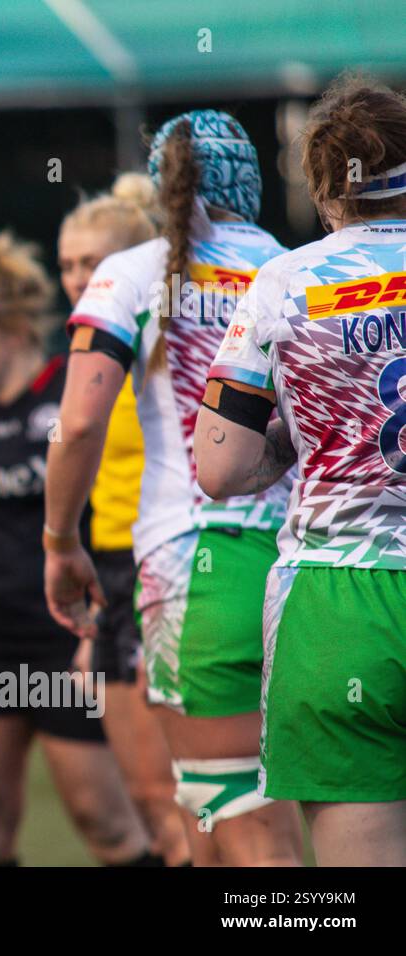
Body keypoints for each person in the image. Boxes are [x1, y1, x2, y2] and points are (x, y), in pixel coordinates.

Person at [43, 110, 304, 865]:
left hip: (197, 568)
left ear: (162, 186)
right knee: (287, 821)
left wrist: (60, 541)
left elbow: (80, 422)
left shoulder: (130, 272)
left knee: (232, 827)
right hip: (308, 564)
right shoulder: (297, 266)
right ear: (250, 178)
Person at [194, 75, 406, 866]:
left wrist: (301, 439)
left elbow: (220, 466)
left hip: (335, 602)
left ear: (326, 192)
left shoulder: (285, 281)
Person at [0, 232, 150, 866]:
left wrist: (105, 621)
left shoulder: (73, 388)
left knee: (105, 823)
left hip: (65, 633)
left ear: (12, 329)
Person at [57, 175, 190, 866]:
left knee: (183, 807)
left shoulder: (164, 344)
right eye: (68, 265)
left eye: (94, 263)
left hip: (157, 566)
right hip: (109, 572)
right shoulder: (87, 350)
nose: (79, 277)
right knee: (146, 801)